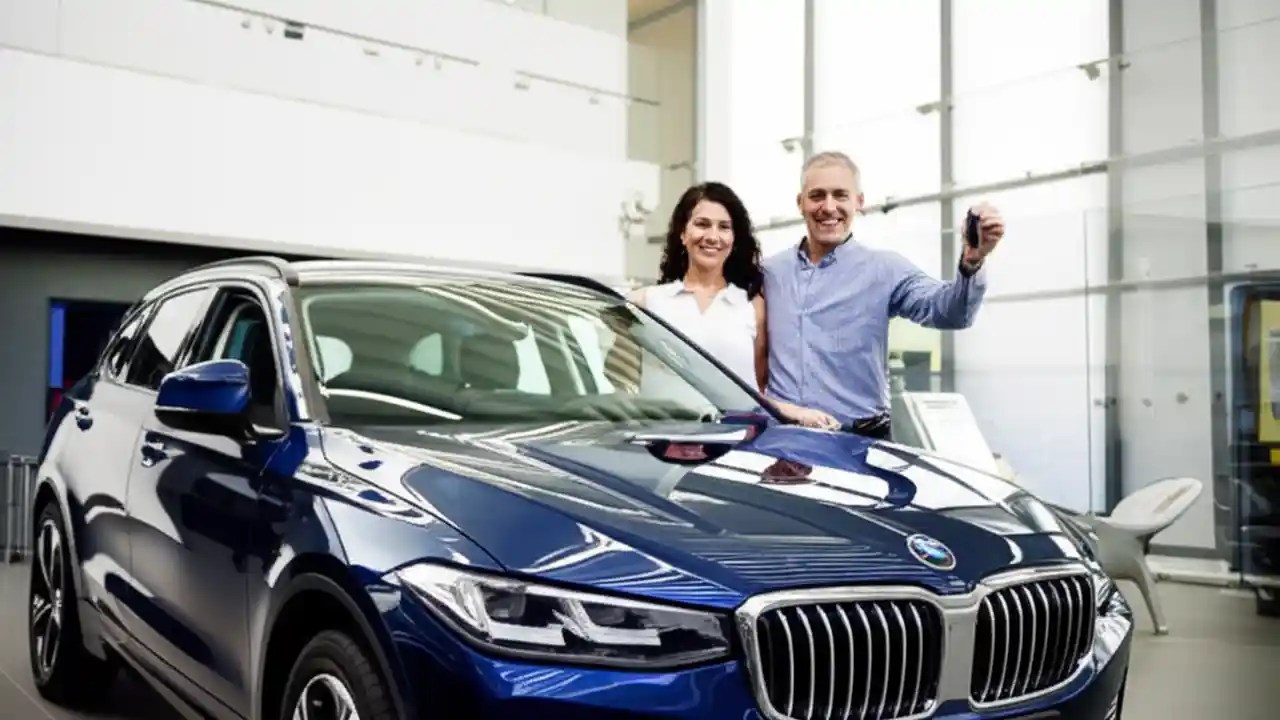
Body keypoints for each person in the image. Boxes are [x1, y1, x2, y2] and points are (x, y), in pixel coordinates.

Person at [762, 151, 1006, 439]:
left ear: (859, 202)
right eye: (817, 196)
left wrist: (972, 261)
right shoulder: (769, 273)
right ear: (800, 203)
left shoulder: (885, 269)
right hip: (780, 442)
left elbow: (950, 312)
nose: (829, 207)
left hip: (858, 442)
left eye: (840, 195)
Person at [614, 181, 837, 428]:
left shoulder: (752, 306)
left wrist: (790, 410)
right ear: (682, 233)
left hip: (736, 445)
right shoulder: (644, 302)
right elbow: (620, 381)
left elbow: (754, 391)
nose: (712, 236)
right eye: (702, 224)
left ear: (734, 238)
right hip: (662, 444)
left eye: (724, 227)